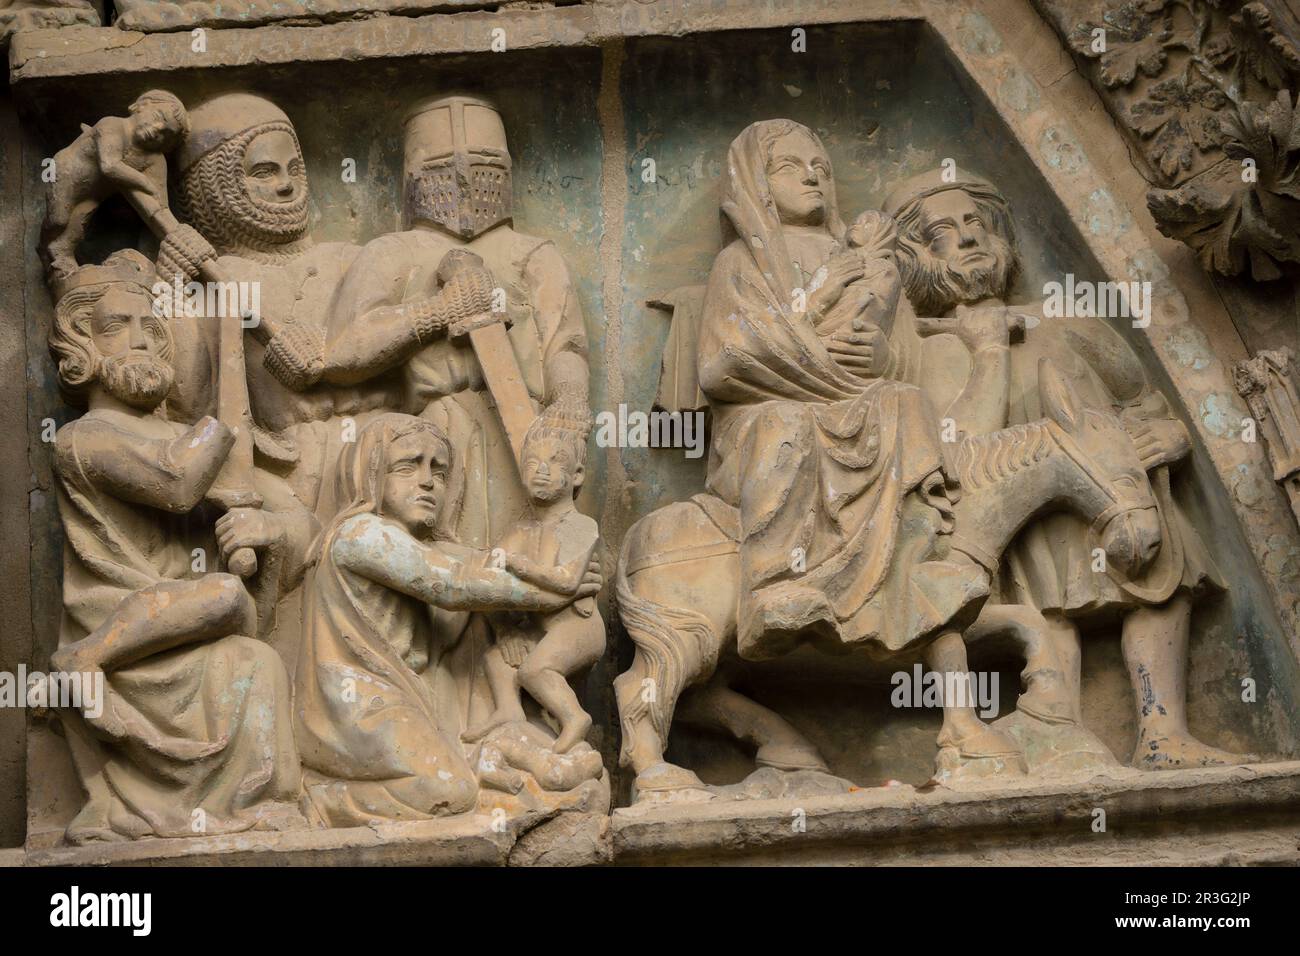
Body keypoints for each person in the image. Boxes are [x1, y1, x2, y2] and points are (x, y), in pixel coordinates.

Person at [46, 250, 313, 843]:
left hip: (191, 636)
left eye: (151, 327)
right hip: (126, 629)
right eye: (117, 327)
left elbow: (297, 519)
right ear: (79, 347)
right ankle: (85, 659)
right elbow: (177, 482)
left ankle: (248, 807)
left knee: (257, 662)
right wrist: (226, 404)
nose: (141, 340)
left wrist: (269, 531)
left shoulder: (185, 437)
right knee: (220, 593)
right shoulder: (83, 440)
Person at [294, 414, 602, 826]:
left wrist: (551, 579)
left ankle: (489, 755)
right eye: (408, 465)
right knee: (449, 791)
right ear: (368, 475)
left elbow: (469, 571)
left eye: (438, 471)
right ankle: (321, 800)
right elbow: (454, 585)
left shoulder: (417, 546)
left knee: (534, 768)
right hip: (353, 706)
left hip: (407, 699)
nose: (428, 481)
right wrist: (556, 591)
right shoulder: (361, 533)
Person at [467, 413, 603, 754]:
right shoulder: (518, 531)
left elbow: (568, 580)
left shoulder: (580, 526)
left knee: (535, 670)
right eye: (532, 462)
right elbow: (486, 581)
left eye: (555, 462)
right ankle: (508, 709)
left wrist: (520, 565)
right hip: (539, 627)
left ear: (577, 476)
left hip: (578, 627)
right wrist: (507, 629)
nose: (541, 469)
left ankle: (574, 718)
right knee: (496, 658)